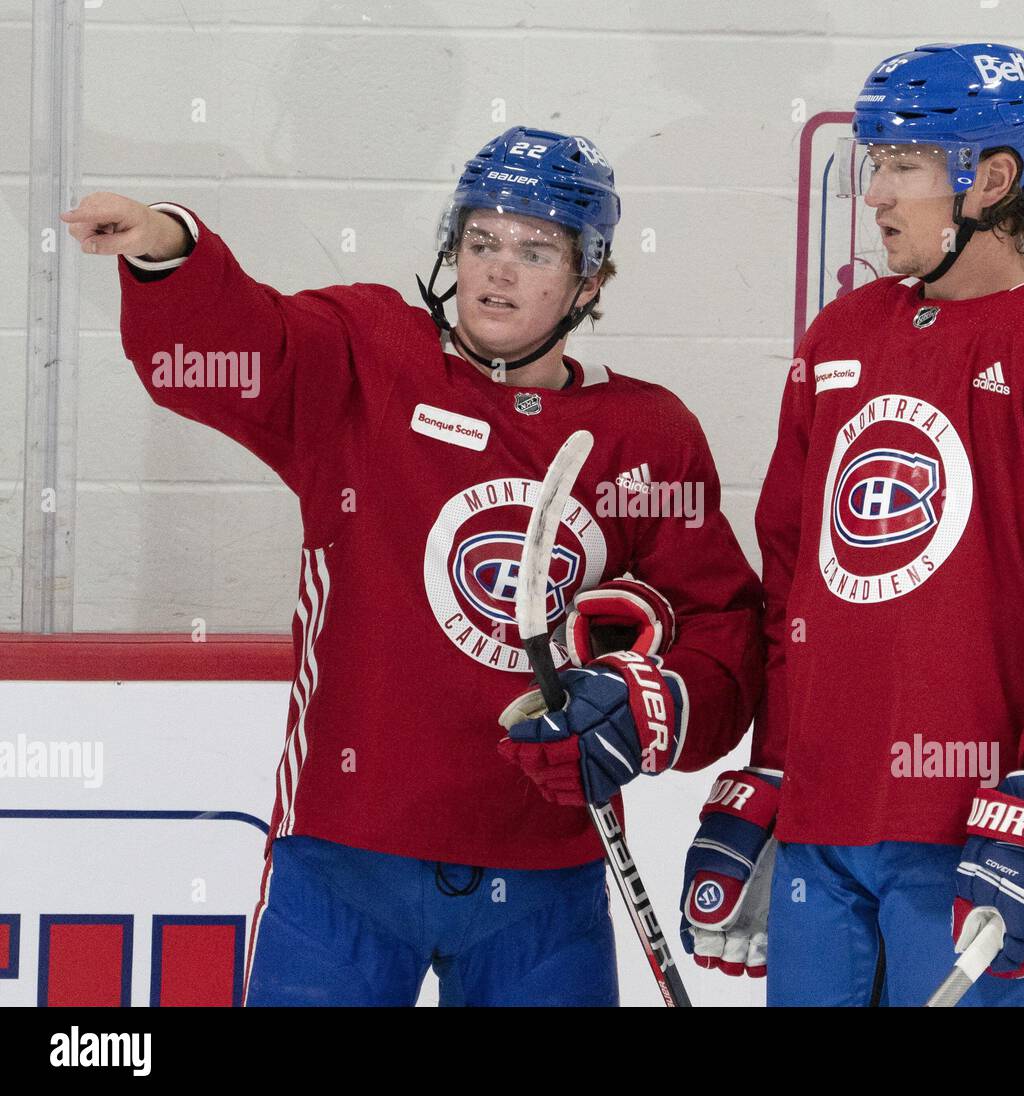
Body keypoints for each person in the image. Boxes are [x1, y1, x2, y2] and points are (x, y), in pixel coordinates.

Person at [65, 126, 762, 1007]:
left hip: (544, 873)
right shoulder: (370, 361)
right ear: (452, 251)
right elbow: (230, 354)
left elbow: (722, 631)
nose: (500, 270)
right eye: (482, 242)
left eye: (536, 249)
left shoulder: (646, 434)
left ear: (589, 281)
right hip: (346, 859)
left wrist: (649, 707)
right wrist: (171, 248)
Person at [678, 43, 1024, 1006]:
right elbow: (798, 584)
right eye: (874, 162)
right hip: (823, 833)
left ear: (992, 180)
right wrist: (776, 771)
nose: (876, 193)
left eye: (904, 165)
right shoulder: (842, 337)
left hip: (979, 844)